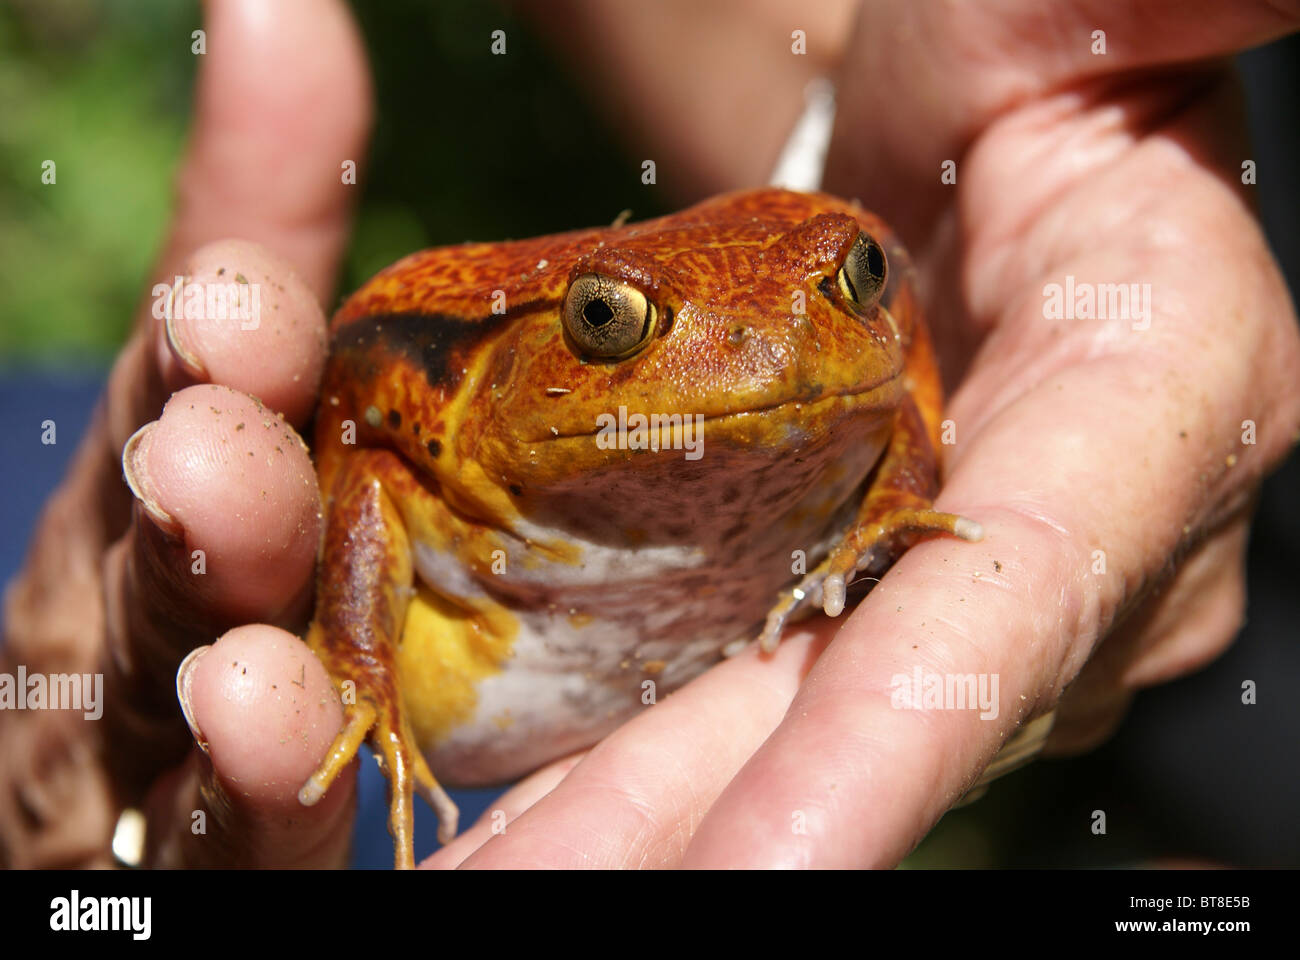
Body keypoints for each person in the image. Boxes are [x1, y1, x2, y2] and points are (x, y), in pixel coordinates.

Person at [2, 0, 1297, 868]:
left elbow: (896, 376)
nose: (774, 354)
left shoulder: (871, 379)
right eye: (615, 323)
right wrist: (356, 660)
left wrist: (900, 491)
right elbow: (375, 483)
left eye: (847, 289)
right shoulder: (429, 439)